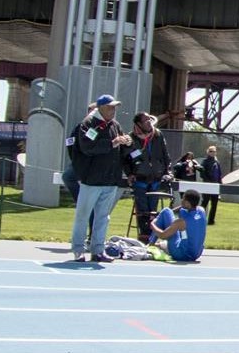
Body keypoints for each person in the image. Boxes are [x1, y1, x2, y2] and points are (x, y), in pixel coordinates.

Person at [68, 94, 132, 262]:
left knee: (103, 217)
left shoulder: (115, 125)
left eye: (115, 107)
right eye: (110, 107)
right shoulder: (88, 124)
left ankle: (98, 250)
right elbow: (87, 147)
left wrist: (126, 142)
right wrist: (113, 143)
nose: (113, 110)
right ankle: (78, 250)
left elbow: (120, 147)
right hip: (92, 180)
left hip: (110, 179)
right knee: (83, 215)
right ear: (101, 108)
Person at [127, 112, 171, 242]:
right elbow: (125, 159)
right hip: (140, 179)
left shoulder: (157, 135)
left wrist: (168, 172)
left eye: (149, 120)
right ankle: (144, 236)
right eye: (146, 121)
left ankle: (153, 236)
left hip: (156, 179)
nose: (149, 123)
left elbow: (165, 156)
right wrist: (130, 173)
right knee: (143, 210)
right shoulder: (131, 138)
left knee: (153, 210)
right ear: (138, 124)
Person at [150, 190, 208, 263]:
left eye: (183, 199)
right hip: (195, 255)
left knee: (166, 211)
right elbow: (182, 208)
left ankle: (150, 244)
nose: (181, 200)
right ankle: (158, 245)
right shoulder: (201, 211)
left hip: (180, 254)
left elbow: (162, 235)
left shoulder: (181, 222)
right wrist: (173, 211)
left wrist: (152, 224)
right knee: (183, 233)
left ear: (187, 203)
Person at [199, 145, 224, 221]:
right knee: (205, 202)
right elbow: (202, 173)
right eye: (211, 151)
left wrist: (220, 183)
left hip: (215, 185)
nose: (212, 153)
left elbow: (219, 173)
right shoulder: (205, 162)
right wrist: (208, 181)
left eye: (214, 151)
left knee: (214, 203)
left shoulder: (217, 162)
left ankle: (211, 220)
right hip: (207, 185)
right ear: (208, 152)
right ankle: (200, 218)